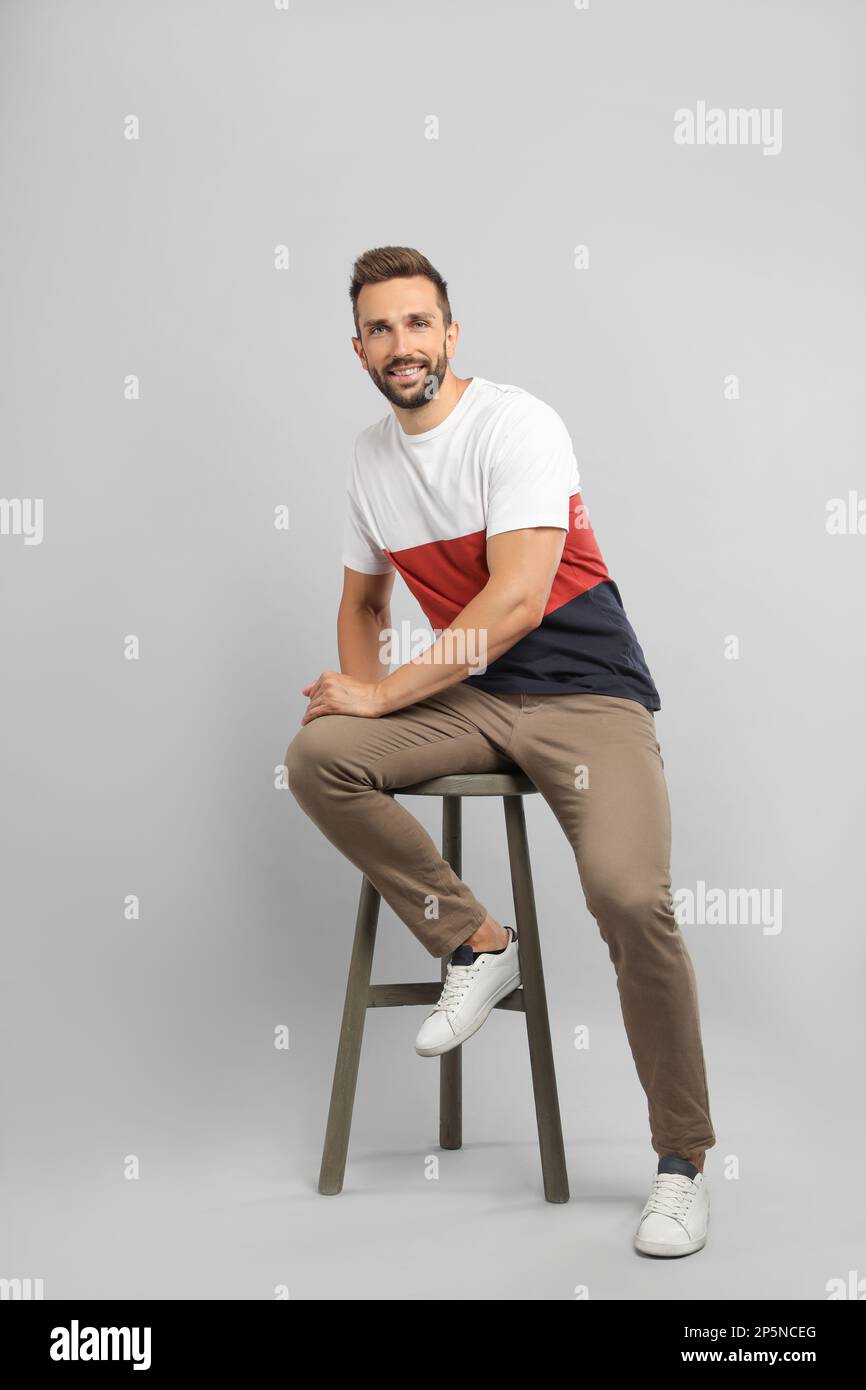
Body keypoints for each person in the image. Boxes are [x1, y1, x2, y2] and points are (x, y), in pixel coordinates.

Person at [284, 245, 715, 1257]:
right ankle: (474, 941)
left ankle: (680, 1163)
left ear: (450, 332)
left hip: (584, 699)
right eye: (381, 329)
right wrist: (363, 708)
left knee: (625, 895)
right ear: (358, 349)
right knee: (317, 758)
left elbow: (517, 600)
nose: (402, 345)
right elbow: (362, 599)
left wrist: (384, 689)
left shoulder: (515, 422)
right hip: (469, 697)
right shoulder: (366, 458)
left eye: (418, 323)